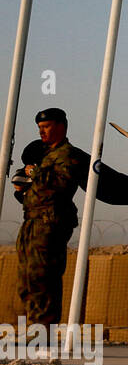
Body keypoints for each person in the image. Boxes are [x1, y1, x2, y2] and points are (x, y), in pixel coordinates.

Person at [12, 108, 79, 330]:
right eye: (40, 128)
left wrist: (33, 173)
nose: (42, 132)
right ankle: (33, 326)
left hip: (49, 222)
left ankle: (43, 329)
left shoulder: (66, 155)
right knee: (27, 278)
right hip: (32, 220)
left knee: (43, 276)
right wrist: (22, 189)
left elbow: (59, 185)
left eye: (46, 126)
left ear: (61, 126)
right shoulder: (45, 155)